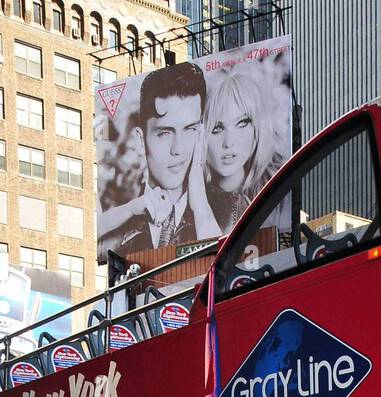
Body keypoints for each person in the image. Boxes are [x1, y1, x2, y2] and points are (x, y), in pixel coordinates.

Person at [98, 64, 207, 254]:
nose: (178, 149)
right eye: (164, 133)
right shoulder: (114, 219)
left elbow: (229, 268)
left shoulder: (232, 206)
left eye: (190, 129)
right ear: (141, 140)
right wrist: (131, 209)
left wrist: (200, 203)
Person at [187, 66, 282, 240]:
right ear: (200, 135)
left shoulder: (280, 194)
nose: (229, 142)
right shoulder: (184, 203)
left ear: (257, 129)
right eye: (217, 128)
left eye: (241, 123)